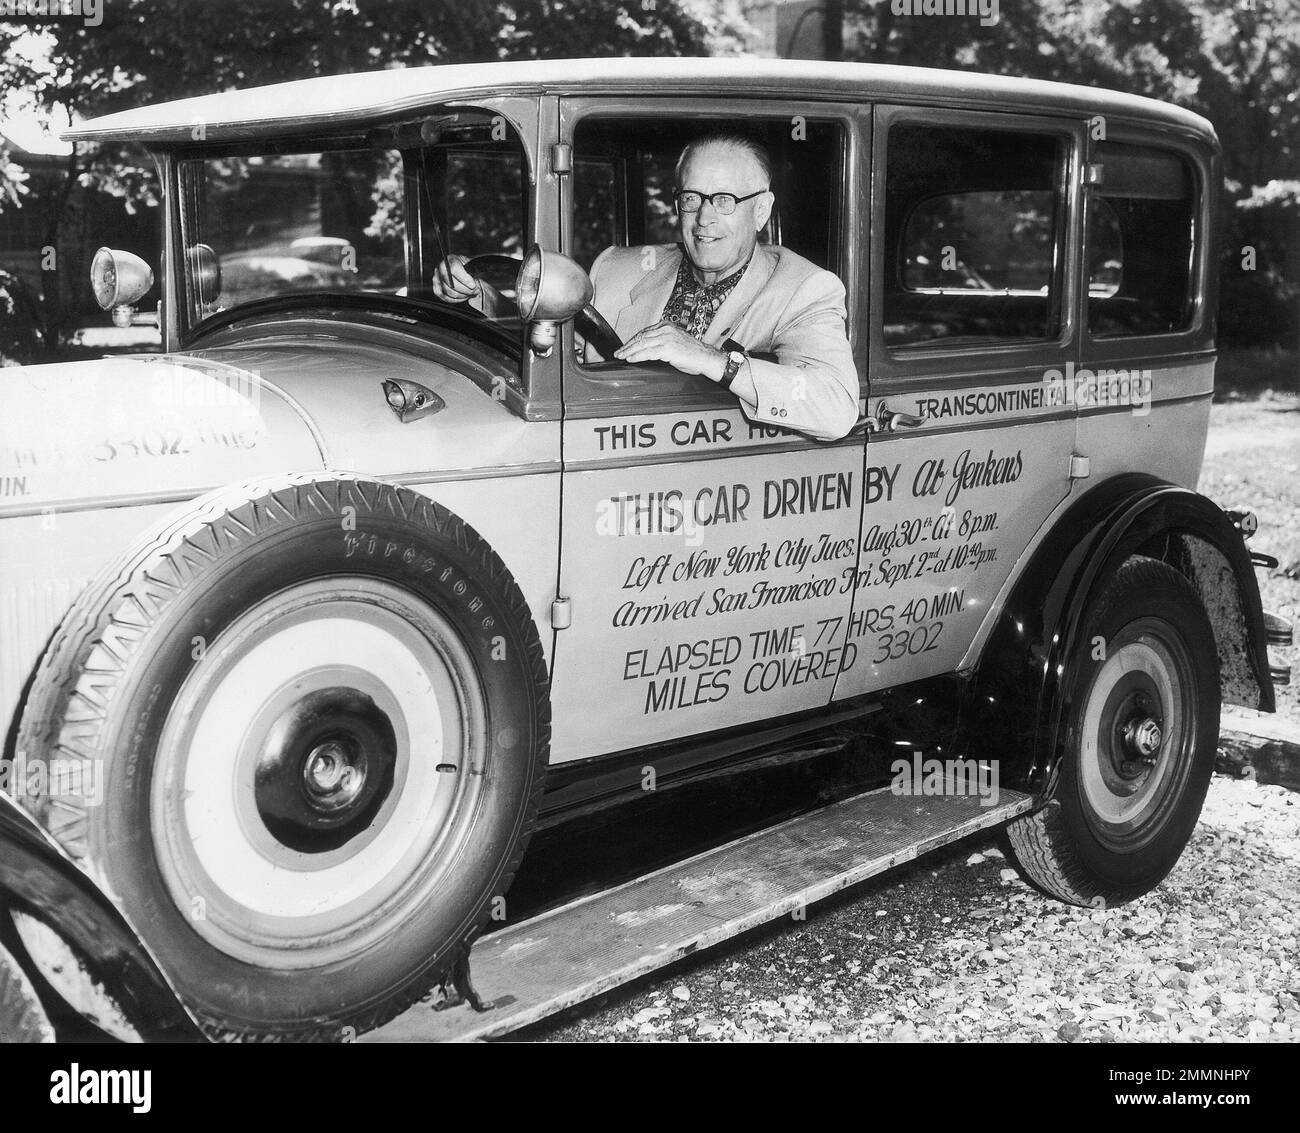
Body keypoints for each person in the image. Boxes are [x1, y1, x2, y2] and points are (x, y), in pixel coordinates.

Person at [430, 133, 859, 442]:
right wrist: (477, 295)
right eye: (691, 198)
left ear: (761, 210)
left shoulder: (803, 288)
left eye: (724, 200)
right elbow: (550, 349)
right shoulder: (618, 268)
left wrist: (712, 361)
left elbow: (836, 408)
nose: (704, 218)